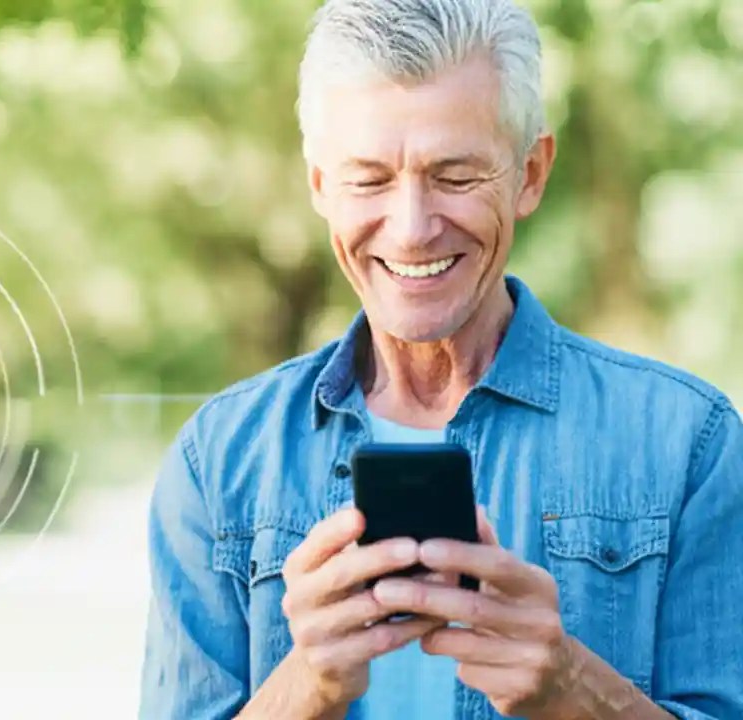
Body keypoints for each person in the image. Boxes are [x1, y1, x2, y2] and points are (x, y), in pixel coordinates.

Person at [138, 0, 743, 718]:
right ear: (321, 186)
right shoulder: (219, 462)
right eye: (369, 179)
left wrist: (571, 687)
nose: (412, 228)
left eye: (455, 176)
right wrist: (305, 687)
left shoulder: (689, 445)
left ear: (530, 174)